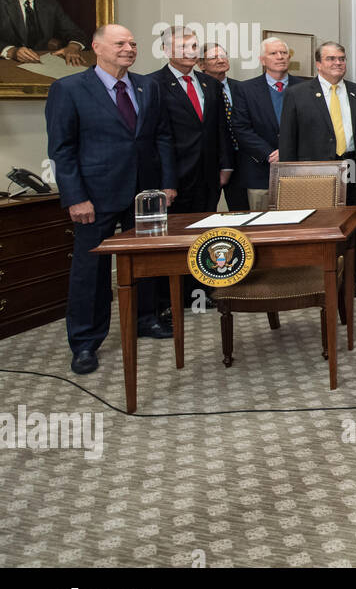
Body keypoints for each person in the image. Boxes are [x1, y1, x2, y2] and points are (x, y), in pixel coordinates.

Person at [45, 25, 177, 375]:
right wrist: (75, 197)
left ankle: (146, 318)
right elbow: (62, 150)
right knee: (91, 271)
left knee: (146, 260)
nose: (129, 48)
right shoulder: (69, 89)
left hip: (145, 195)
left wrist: (167, 184)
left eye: (133, 43)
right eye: (120, 43)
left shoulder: (148, 86)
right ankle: (85, 342)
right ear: (96, 47)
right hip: (95, 197)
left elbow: (162, 136)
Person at [278, 41, 356, 296]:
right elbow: (288, 138)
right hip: (315, 172)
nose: (338, 63)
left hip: (353, 166)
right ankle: (318, 278)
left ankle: (351, 280)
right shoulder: (297, 94)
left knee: (352, 225)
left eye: (341, 58)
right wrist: (289, 176)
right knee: (320, 226)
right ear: (318, 64)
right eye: (331, 59)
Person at [150, 26, 233, 214]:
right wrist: (166, 181)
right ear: (166, 49)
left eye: (194, 46)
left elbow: (221, 127)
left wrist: (226, 164)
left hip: (209, 175)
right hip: (175, 176)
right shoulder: (153, 84)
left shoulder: (211, 84)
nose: (190, 51)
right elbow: (155, 136)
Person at [230, 37, 309, 211]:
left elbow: (311, 127)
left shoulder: (307, 88)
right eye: (273, 53)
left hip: (298, 170)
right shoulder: (245, 89)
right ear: (262, 60)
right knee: (263, 228)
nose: (280, 57)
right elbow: (241, 128)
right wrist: (268, 153)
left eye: (284, 53)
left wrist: (287, 151)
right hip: (260, 171)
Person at [196, 42, 249, 210]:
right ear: (201, 64)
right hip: (208, 160)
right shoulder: (196, 88)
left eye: (223, 56)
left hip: (240, 158)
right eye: (213, 57)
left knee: (241, 209)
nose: (220, 60)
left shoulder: (242, 88)